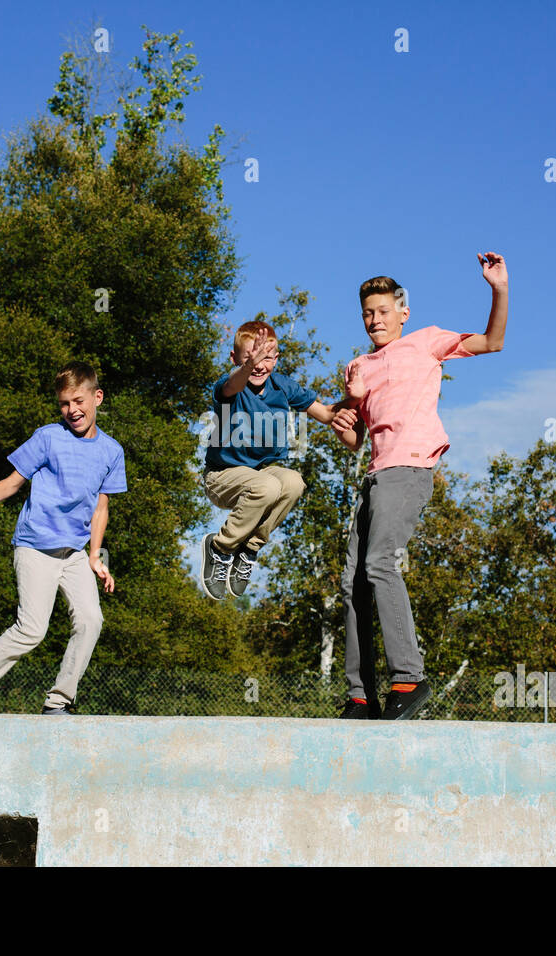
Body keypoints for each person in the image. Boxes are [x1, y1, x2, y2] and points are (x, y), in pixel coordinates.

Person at [330, 254, 509, 719]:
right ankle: (359, 695)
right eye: (368, 313)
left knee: (379, 565)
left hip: (408, 468)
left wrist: (499, 289)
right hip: (374, 474)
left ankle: (408, 678)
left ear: (402, 313)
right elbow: (353, 439)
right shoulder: (358, 366)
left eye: (383, 312)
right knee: (352, 584)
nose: (375, 320)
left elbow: (493, 342)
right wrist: (347, 408)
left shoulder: (427, 342)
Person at [0, 361, 125, 715]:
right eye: (64, 404)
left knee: (90, 620)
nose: (72, 410)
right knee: (32, 630)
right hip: (35, 546)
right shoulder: (47, 437)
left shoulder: (112, 452)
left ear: (97, 397)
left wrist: (95, 556)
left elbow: (101, 509)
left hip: (73, 552)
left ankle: (58, 702)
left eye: (79, 401)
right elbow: (13, 481)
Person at [200, 320, 348, 599]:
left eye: (266, 358)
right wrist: (245, 368)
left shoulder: (283, 386)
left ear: (276, 359)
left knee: (293, 482)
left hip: (261, 473)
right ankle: (219, 548)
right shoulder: (229, 387)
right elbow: (232, 385)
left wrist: (353, 400)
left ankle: (249, 548)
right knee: (266, 486)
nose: (258, 365)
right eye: (250, 358)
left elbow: (326, 414)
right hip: (220, 477)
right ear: (235, 359)